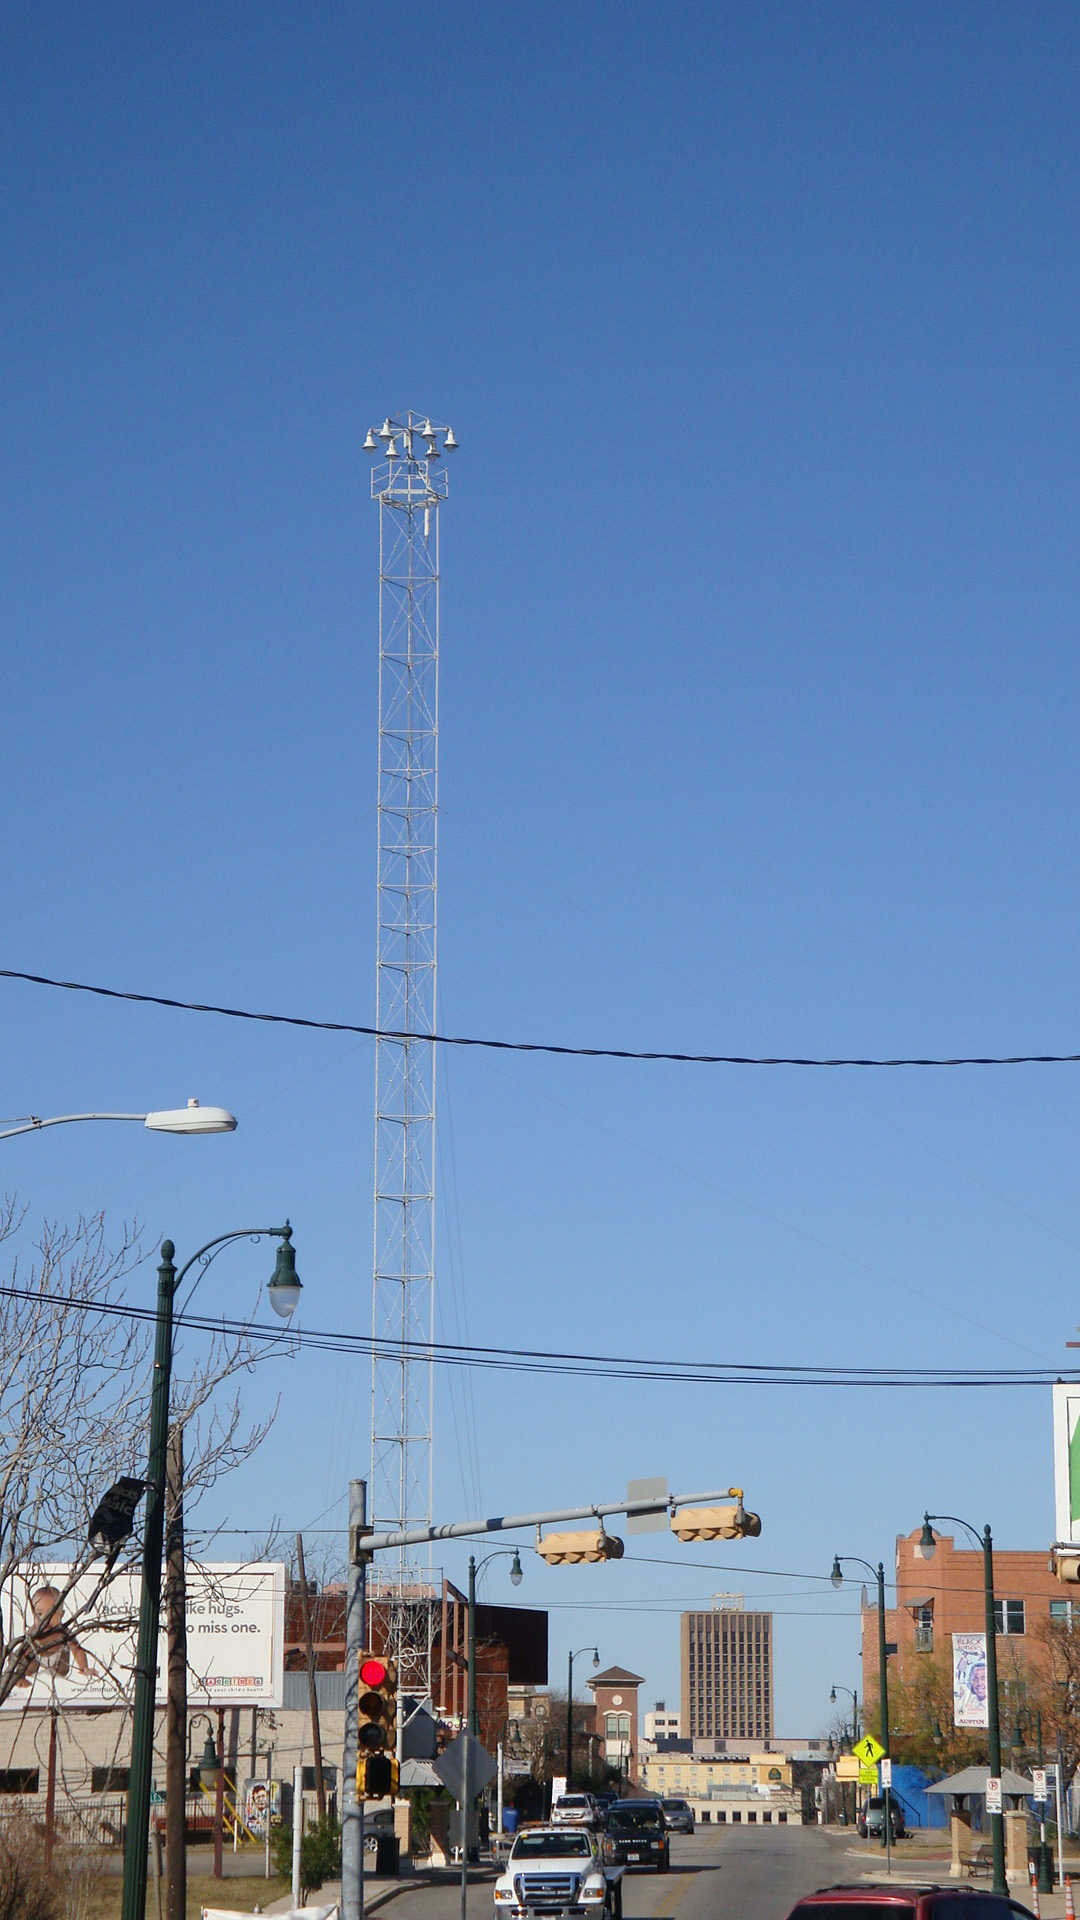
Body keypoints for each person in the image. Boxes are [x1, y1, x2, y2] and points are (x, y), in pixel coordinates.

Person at [17, 1585, 93, 1684]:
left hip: (59, 1663)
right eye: (39, 1614)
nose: (45, 1619)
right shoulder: (32, 1634)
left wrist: (84, 1669)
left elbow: (77, 1651)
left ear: (62, 1614)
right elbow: (21, 1654)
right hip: (37, 1661)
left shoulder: (63, 1633)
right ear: (33, 1614)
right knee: (29, 1667)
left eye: (52, 1614)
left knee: (62, 1671)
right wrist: (20, 1676)